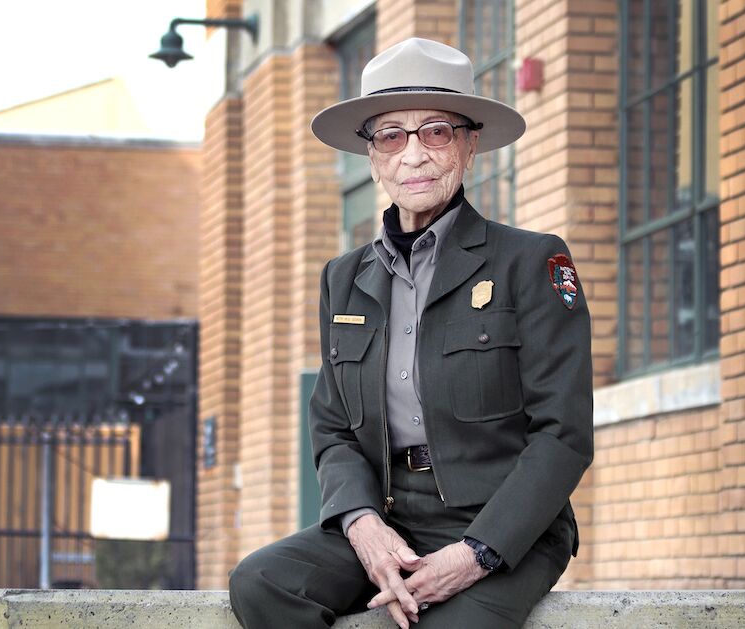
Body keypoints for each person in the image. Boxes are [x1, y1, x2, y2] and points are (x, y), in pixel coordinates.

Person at [228, 38, 594, 628]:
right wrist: (362, 524)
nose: (414, 155)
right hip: (390, 518)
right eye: (392, 135)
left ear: (470, 144)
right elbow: (332, 426)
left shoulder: (531, 262)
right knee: (263, 582)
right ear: (372, 156)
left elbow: (564, 435)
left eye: (437, 132)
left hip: (503, 527)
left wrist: (475, 554)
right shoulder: (343, 278)